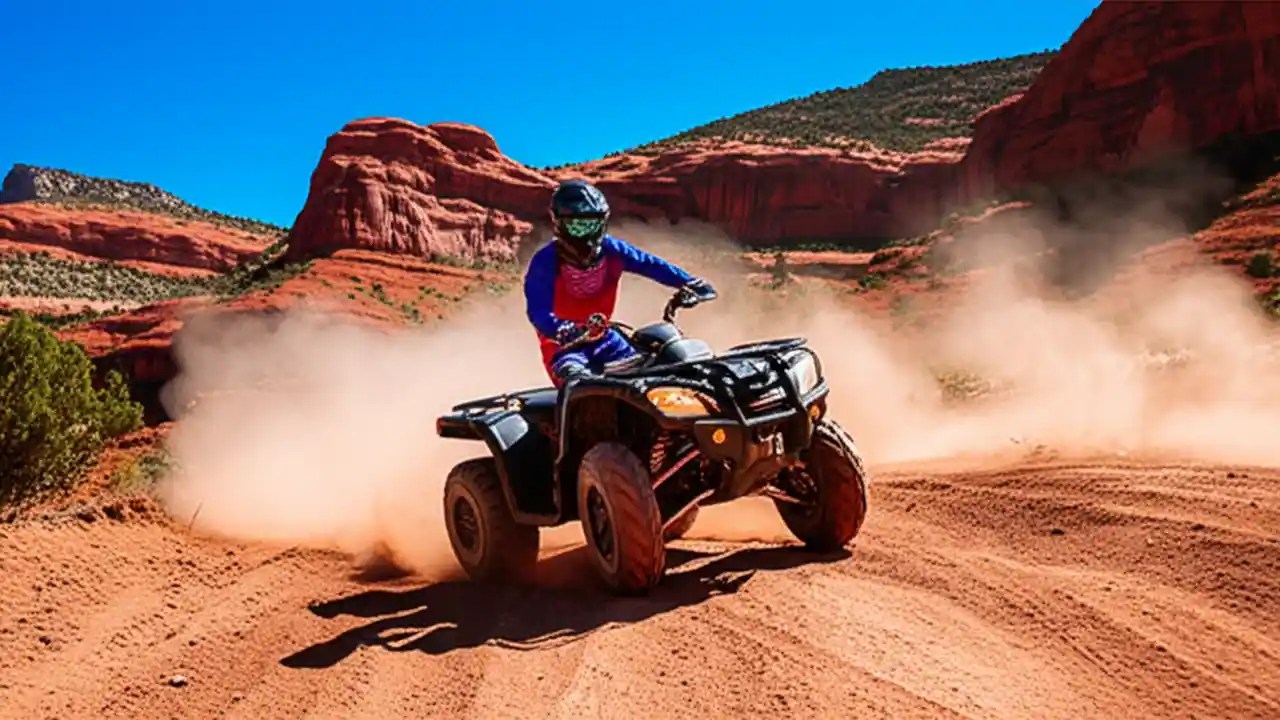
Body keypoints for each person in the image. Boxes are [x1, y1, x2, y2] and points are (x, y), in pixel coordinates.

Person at [523, 178, 717, 385]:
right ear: (559, 223)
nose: (586, 233)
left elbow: (650, 264)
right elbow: (538, 311)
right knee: (580, 387)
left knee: (658, 371)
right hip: (564, 348)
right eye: (578, 226)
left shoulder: (612, 249)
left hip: (606, 338)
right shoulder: (545, 261)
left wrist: (689, 282)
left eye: (592, 224)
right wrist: (561, 329)